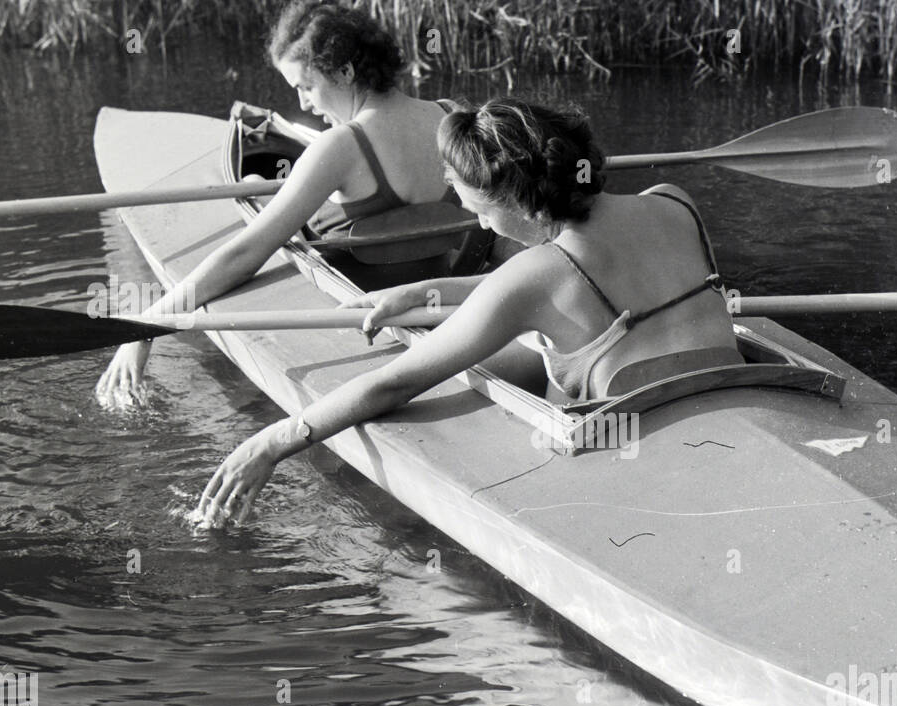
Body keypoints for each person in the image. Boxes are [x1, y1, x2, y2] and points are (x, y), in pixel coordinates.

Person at [194, 96, 743, 527]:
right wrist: (423, 291)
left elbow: (392, 385)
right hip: (740, 397)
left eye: (481, 211)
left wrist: (271, 442)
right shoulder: (675, 201)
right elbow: (562, 278)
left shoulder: (534, 276)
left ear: (524, 203)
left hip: (636, 451)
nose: (480, 226)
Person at [96, 1, 460, 407]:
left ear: (346, 71)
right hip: (440, 306)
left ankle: (261, 187)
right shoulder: (452, 117)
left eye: (306, 86)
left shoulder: (339, 147)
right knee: (260, 183)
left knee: (256, 185)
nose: (303, 104)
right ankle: (264, 186)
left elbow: (247, 253)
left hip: (372, 322)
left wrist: (147, 325)